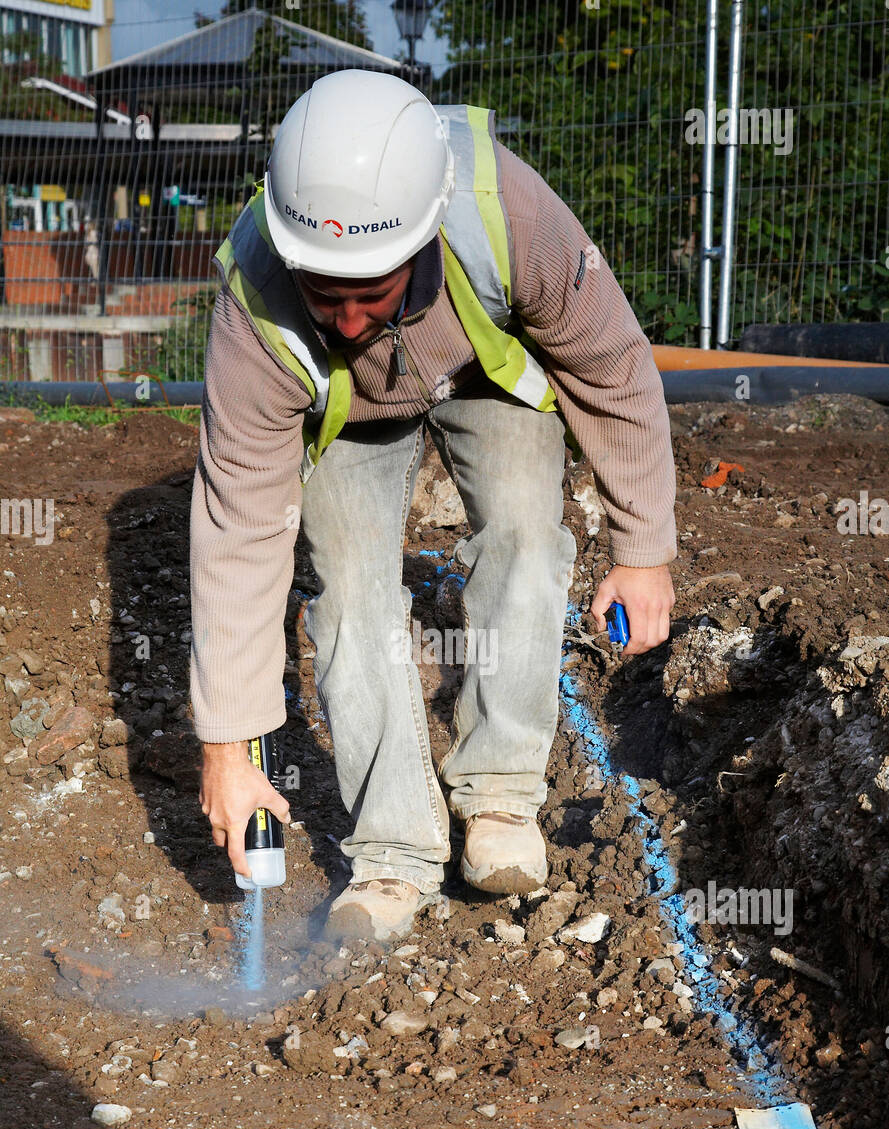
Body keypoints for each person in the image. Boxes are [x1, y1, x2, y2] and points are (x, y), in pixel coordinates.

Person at [190, 69, 676, 943]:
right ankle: (393, 852)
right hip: (340, 410)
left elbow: (611, 363)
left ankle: (497, 798)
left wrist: (642, 549)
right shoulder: (253, 310)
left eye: (367, 293)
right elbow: (237, 528)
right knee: (345, 584)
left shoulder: (508, 218)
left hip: (485, 364)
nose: (342, 320)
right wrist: (229, 747)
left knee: (527, 532)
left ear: (419, 246)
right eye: (321, 291)